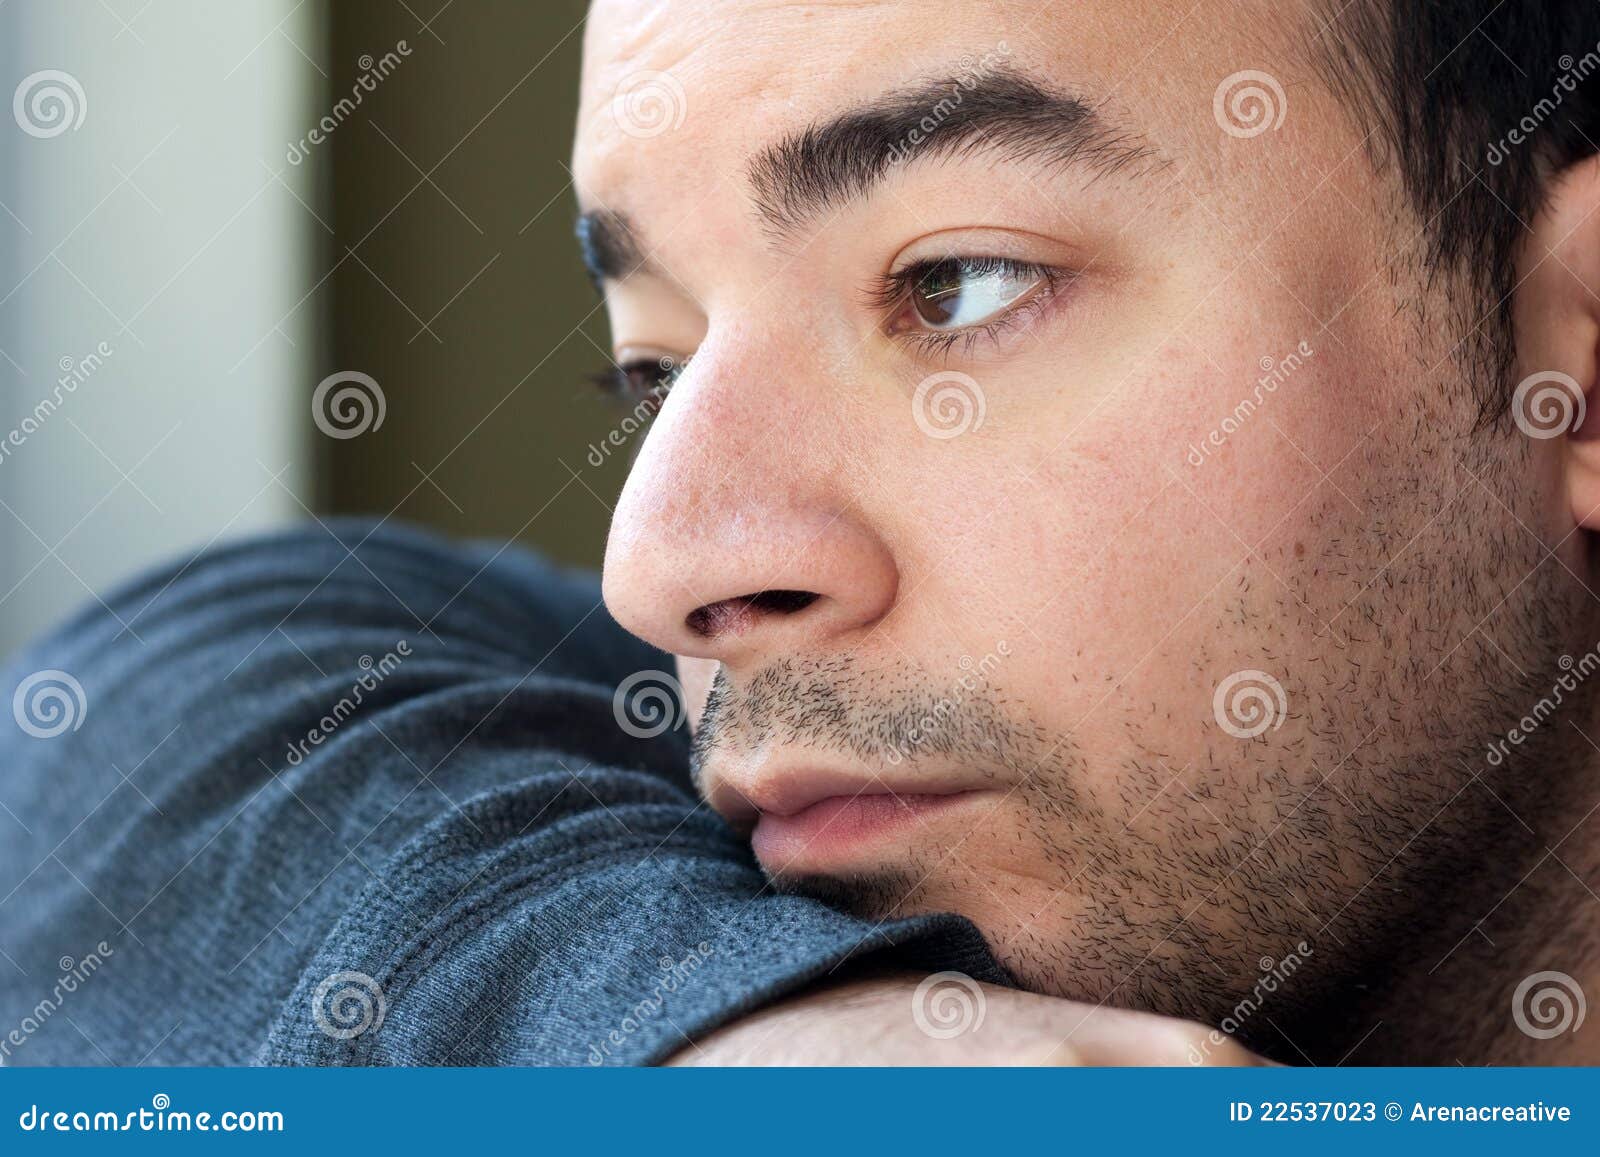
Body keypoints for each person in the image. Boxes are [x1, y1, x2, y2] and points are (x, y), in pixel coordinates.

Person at [1, 0, 1595, 1066]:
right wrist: (755, 1039)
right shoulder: (706, 878)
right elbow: (159, 727)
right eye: (653, 363)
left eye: (956, 284)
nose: (668, 565)